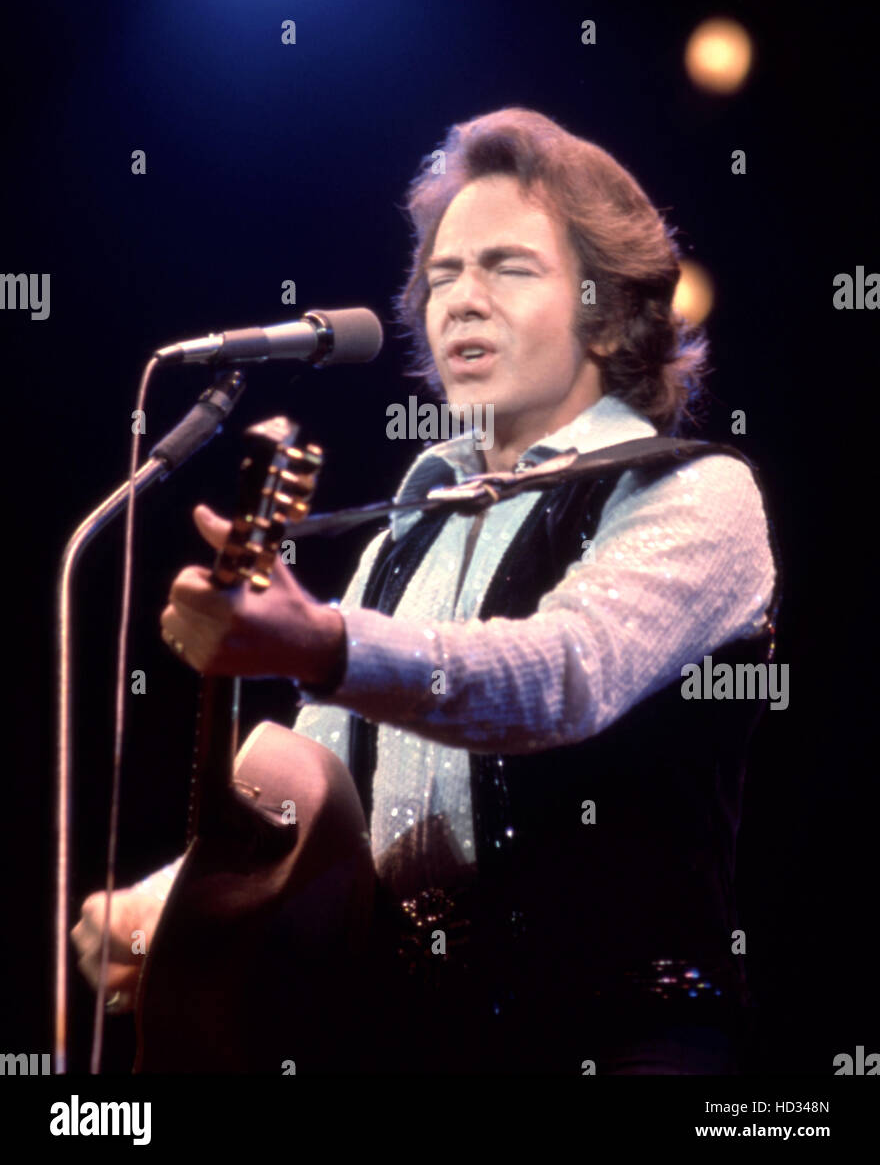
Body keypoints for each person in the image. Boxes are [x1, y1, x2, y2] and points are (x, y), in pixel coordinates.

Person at [73, 106, 779, 1074]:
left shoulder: (698, 492)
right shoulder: (407, 535)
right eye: (443, 275)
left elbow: (565, 672)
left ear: (605, 309)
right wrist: (152, 907)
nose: (458, 299)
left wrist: (324, 645)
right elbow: (307, 818)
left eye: (506, 268)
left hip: (630, 1045)